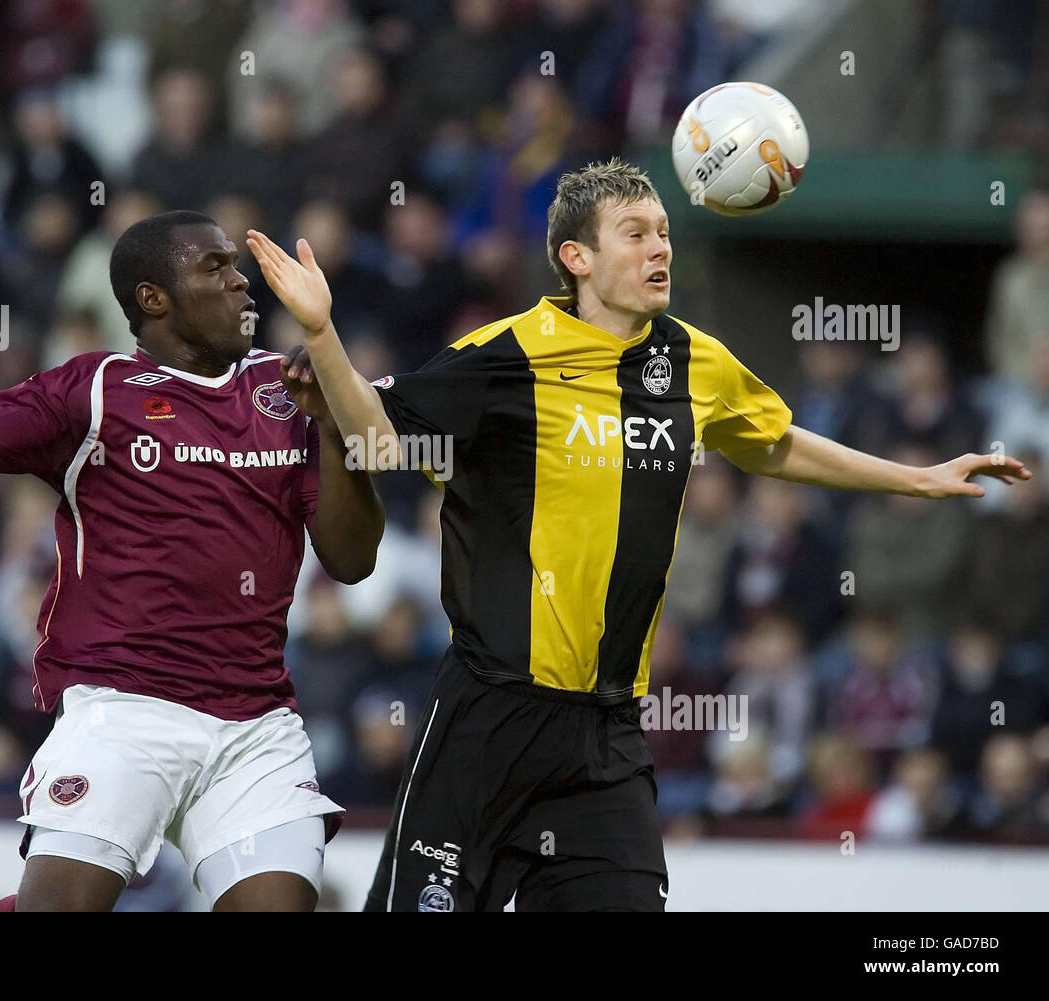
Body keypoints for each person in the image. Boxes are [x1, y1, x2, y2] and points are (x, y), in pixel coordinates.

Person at [245, 157, 1033, 912]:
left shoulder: (695, 359)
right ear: (576, 256)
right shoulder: (504, 356)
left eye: (663, 230)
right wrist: (322, 332)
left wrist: (919, 477)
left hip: (609, 737)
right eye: (635, 232)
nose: (660, 246)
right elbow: (376, 437)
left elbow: (775, 440)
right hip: (489, 721)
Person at [0, 210, 385, 912]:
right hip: (124, 711)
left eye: (234, 266)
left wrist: (335, 428)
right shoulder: (93, 391)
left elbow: (352, 558)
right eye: (214, 268)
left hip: (255, 726)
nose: (241, 280)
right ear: (154, 297)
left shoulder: (288, 391)